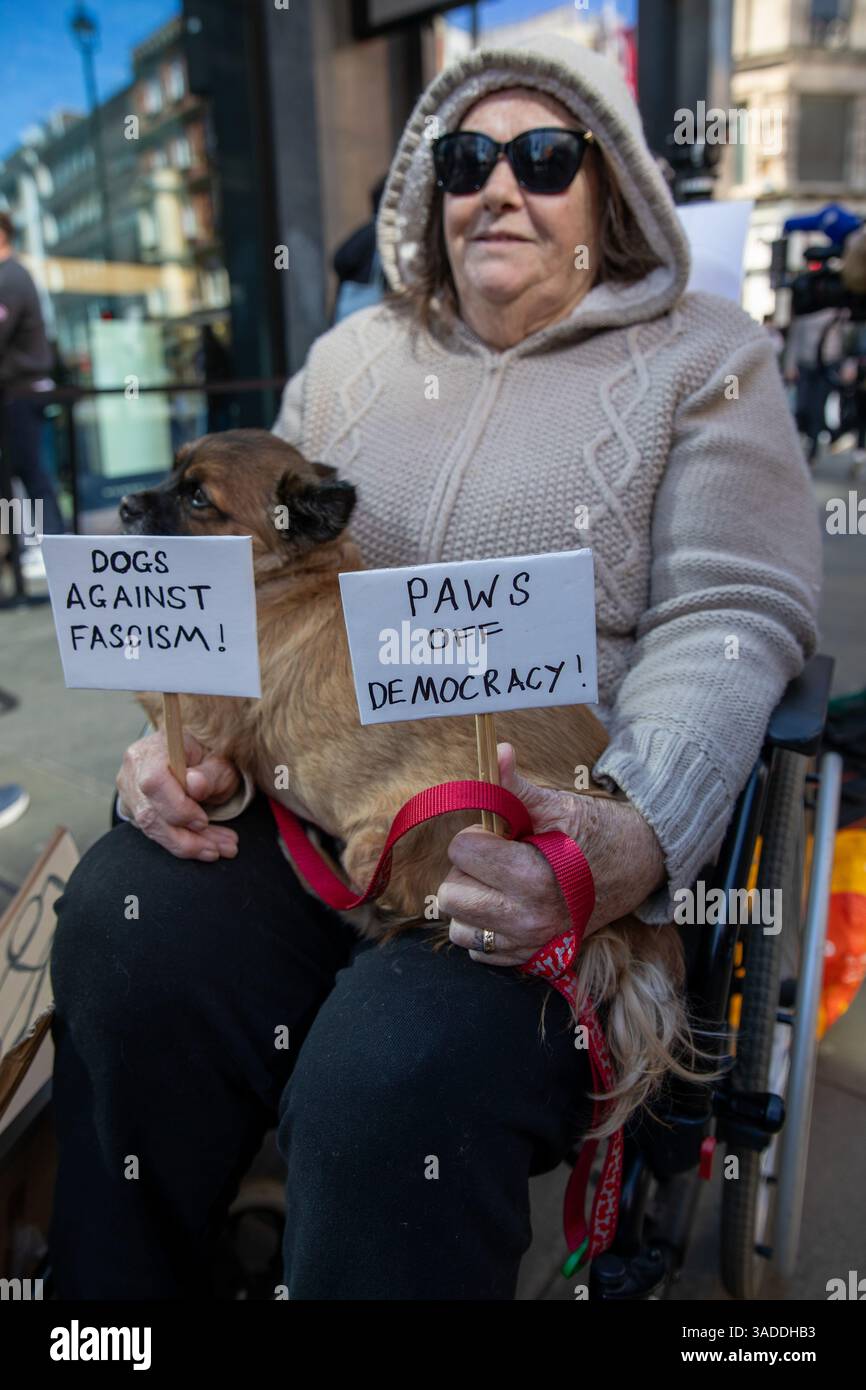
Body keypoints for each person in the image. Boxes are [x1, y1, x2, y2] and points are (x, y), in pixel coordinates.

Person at [48, 35, 821, 1300]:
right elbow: (231, 563)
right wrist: (175, 745)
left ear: (608, 189)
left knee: (386, 1072)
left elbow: (731, 615)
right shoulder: (351, 359)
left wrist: (618, 838)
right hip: (314, 808)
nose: (498, 185)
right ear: (428, 192)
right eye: (466, 158)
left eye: (543, 155)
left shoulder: (706, 355)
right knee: (129, 937)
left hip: (527, 830)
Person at [0, 212, 64, 538]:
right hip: (16, 392)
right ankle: (26, 542)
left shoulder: (10, 278)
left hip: (22, 392)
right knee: (13, 471)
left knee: (29, 471)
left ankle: (49, 540)